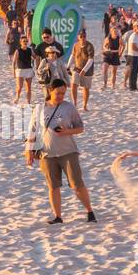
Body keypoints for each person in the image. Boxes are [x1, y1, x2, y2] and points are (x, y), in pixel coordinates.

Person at [25, 78, 95, 225]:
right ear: (50, 91)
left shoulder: (69, 107)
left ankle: (90, 211)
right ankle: (57, 216)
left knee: (77, 184)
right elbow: (32, 130)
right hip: (47, 153)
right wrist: (29, 150)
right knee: (53, 186)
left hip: (68, 152)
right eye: (58, 93)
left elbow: (81, 128)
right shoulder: (39, 108)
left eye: (63, 93)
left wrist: (67, 131)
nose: (61, 96)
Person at [70, 29, 96, 111]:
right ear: (78, 37)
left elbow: (91, 60)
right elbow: (73, 56)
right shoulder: (75, 45)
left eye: (84, 36)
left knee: (85, 88)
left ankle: (84, 105)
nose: (82, 38)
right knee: (73, 84)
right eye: (81, 36)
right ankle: (74, 103)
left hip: (87, 70)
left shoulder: (89, 46)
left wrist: (84, 70)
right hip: (77, 68)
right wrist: (68, 66)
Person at [12, 33, 35, 104]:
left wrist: (33, 51)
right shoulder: (18, 51)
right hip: (20, 70)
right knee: (19, 87)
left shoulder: (30, 50)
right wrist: (13, 72)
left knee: (29, 87)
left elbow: (34, 57)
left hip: (28, 70)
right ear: (20, 42)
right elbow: (13, 62)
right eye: (23, 41)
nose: (25, 42)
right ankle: (17, 97)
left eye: (26, 41)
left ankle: (28, 101)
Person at [101, 24, 122, 89]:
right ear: (111, 31)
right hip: (108, 55)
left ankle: (113, 85)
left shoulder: (119, 39)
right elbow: (104, 46)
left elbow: (123, 45)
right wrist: (106, 49)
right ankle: (105, 84)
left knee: (114, 72)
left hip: (115, 55)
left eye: (116, 31)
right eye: (114, 31)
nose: (115, 32)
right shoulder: (108, 38)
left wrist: (120, 52)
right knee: (105, 69)